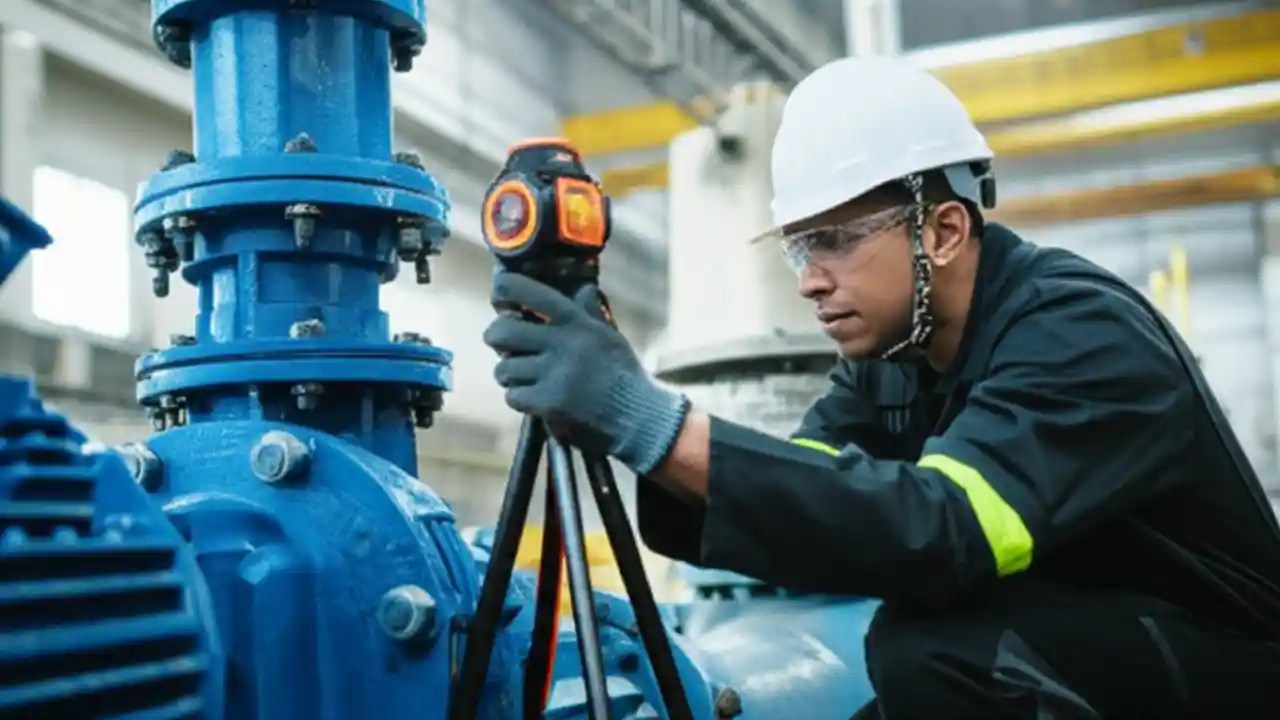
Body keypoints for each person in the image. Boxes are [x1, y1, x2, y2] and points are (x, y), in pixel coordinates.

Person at [481, 55, 1280, 718]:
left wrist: (644, 418)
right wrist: (616, 405)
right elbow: (811, 508)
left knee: (931, 655)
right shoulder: (893, 358)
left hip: (1224, 666)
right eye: (799, 249)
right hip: (1085, 642)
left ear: (943, 230)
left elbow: (944, 531)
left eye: (832, 242)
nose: (809, 282)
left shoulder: (1079, 331)